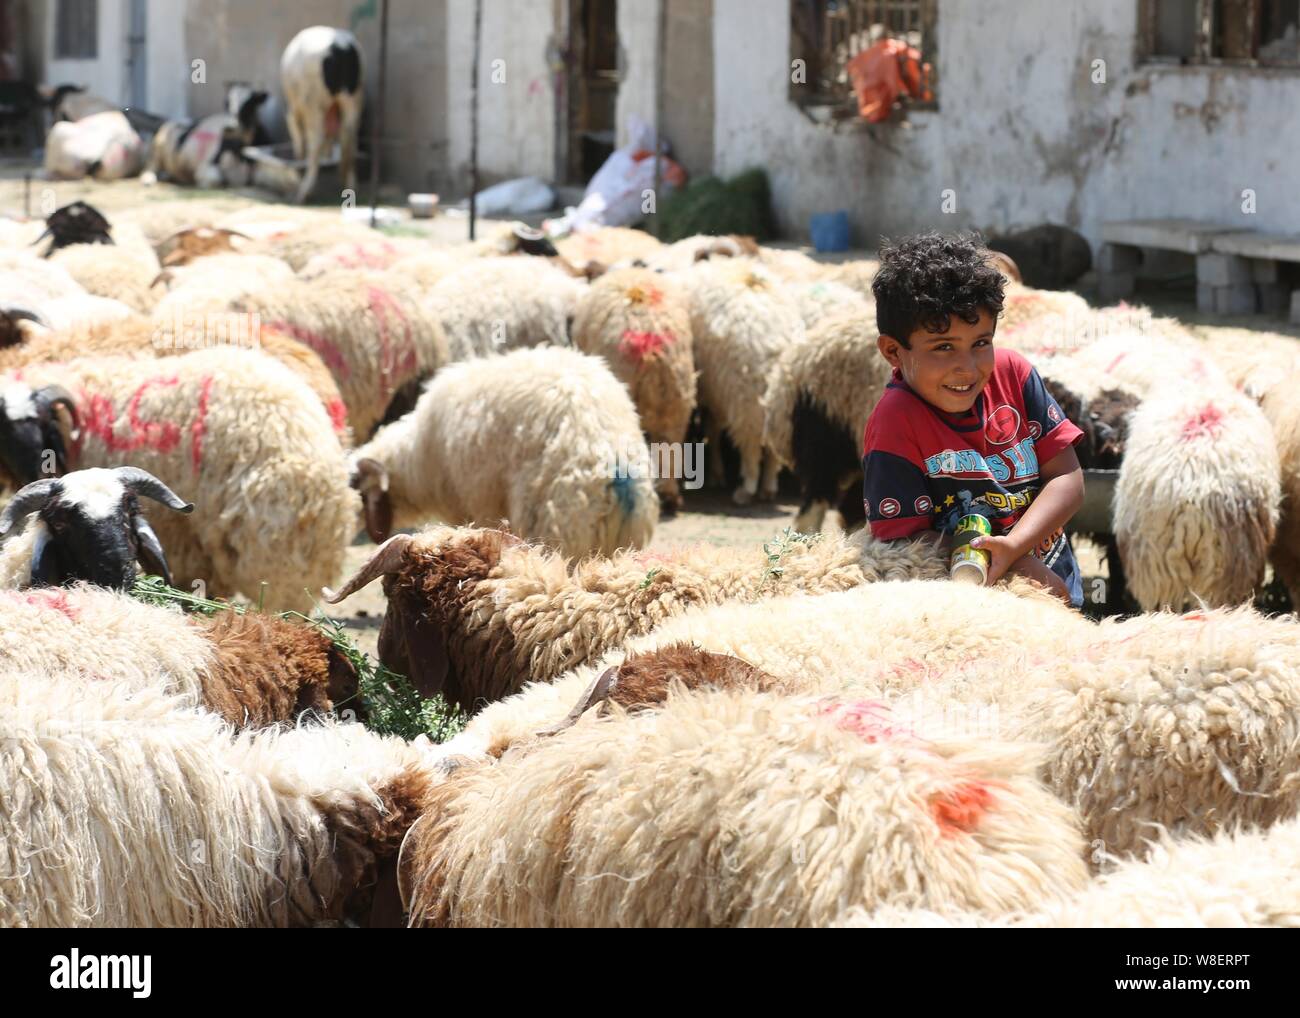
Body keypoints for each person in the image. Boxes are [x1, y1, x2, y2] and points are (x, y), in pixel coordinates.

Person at [861, 232, 1086, 607]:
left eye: (980, 343)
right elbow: (905, 539)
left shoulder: (1014, 374)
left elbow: (1067, 477)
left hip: (1055, 584)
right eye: (943, 347)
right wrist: (1012, 564)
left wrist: (1015, 546)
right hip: (968, 607)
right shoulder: (895, 422)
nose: (966, 368)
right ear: (893, 352)